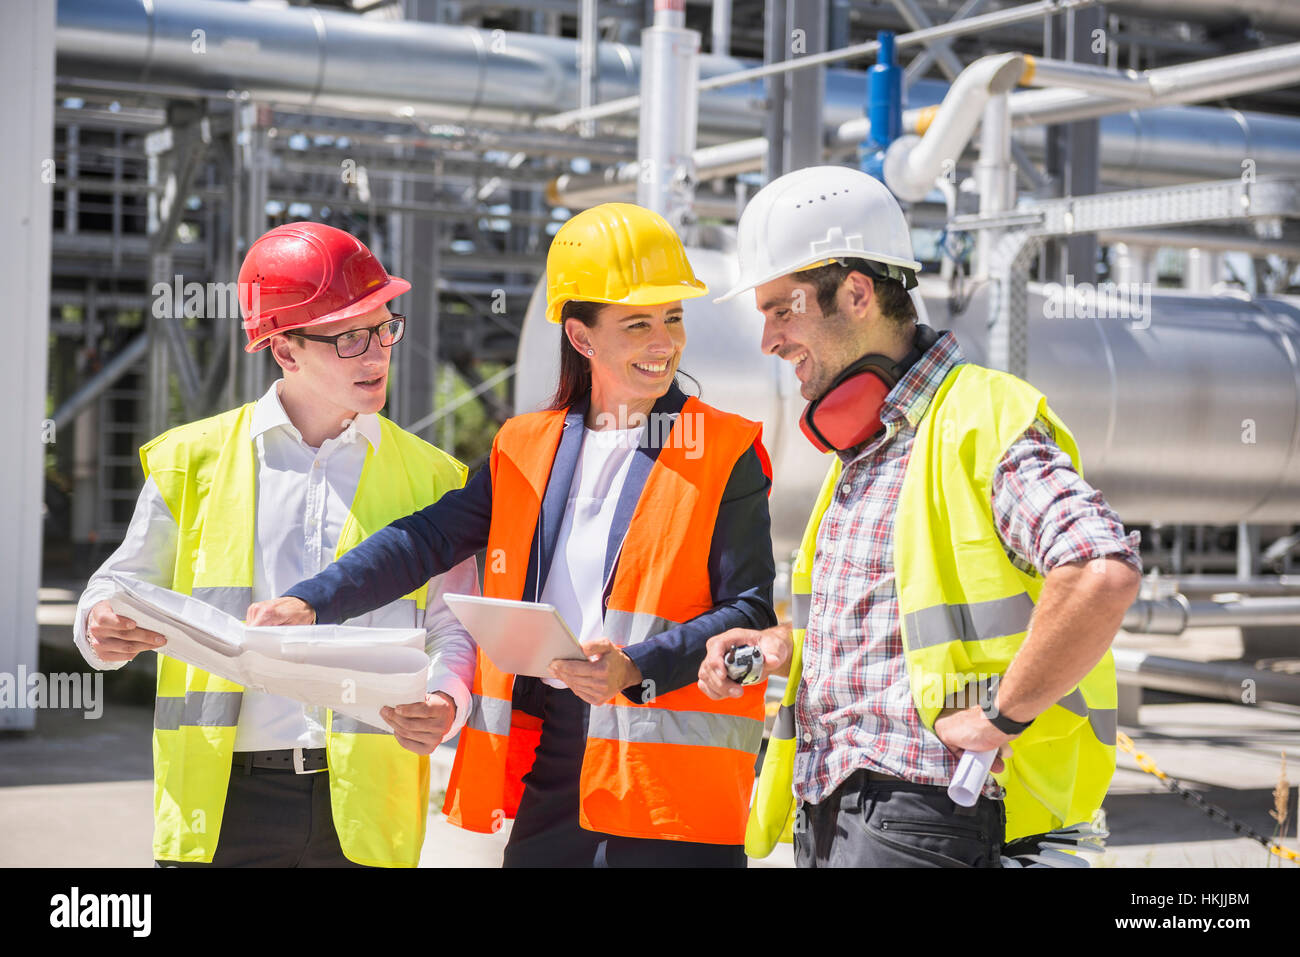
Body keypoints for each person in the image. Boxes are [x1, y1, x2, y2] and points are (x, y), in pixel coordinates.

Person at [247, 202, 777, 868]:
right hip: (553, 761)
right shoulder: (526, 445)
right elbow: (426, 538)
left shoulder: (725, 449)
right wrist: (312, 601)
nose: (663, 341)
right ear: (581, 338)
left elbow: (750, 611)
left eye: (673, 317)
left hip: (667, 780)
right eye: (638, 322)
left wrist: (636, 664)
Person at [698, 165, 1142, 868]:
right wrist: (781, 646)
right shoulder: (868, 452)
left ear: (855, 292)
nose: (768, 340)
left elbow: (1099, 570)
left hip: (926, 810)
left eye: (782, 309)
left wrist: (1001, 717)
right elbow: (886, 626)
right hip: (834, 808)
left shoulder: (980, 419)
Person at [73, 222, 478, 867]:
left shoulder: (436, 478)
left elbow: (453, 628)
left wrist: (446, 701)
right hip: (221, 800)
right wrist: (97, 628)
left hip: (366, 804)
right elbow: (114, 589)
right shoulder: (191, 460)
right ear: (285, 349)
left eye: (384, 329)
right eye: (349, 338)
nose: (376, 355)